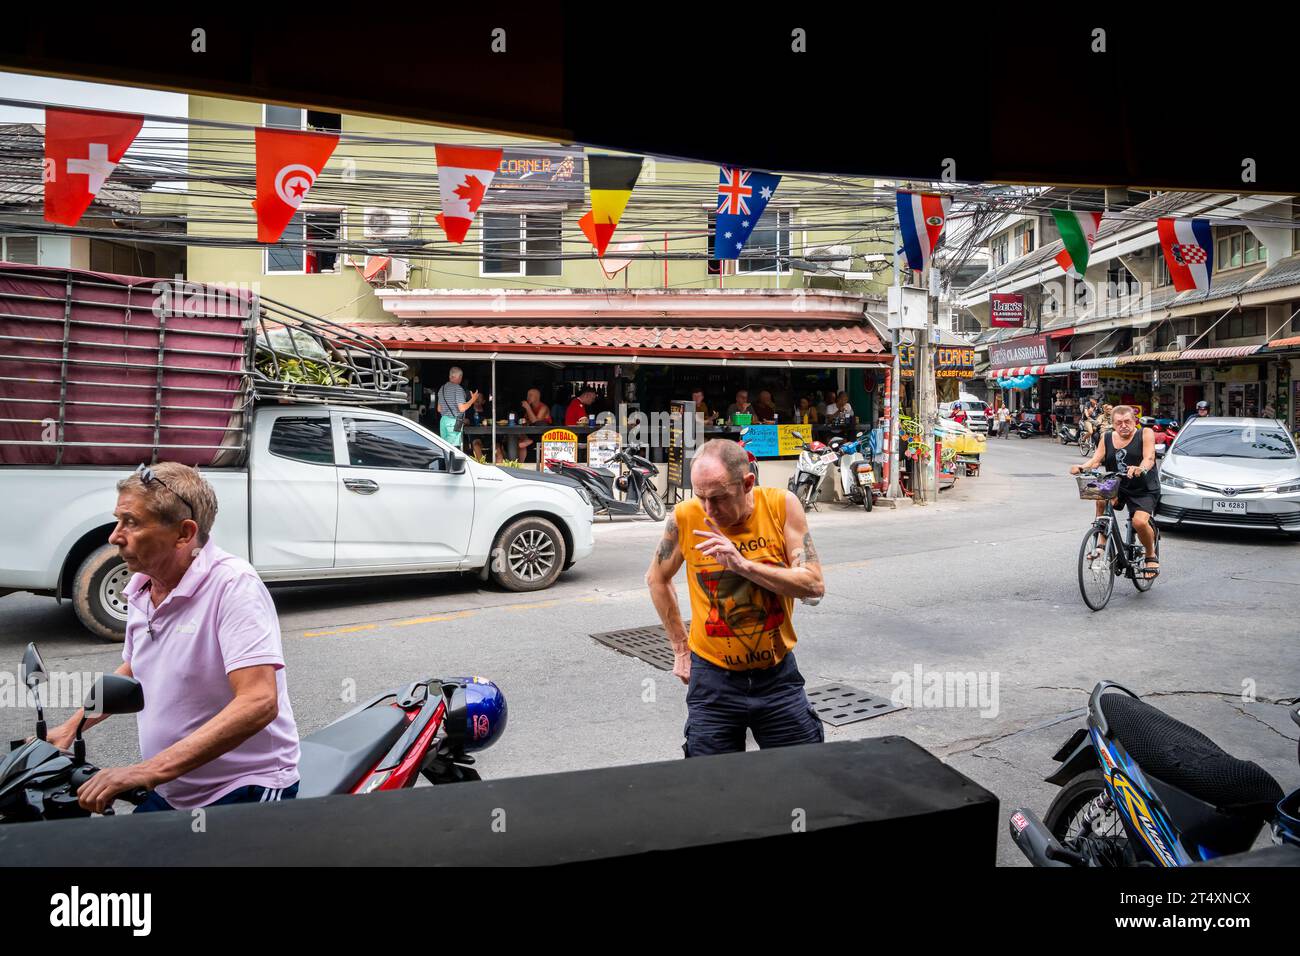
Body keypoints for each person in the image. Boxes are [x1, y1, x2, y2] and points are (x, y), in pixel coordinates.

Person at [47, 463, 300, 814]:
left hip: (245, 788)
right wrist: (70, 729)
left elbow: (258, 701)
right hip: (171, 787)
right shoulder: (140, 586)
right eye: (118, 520)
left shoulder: (232, 586)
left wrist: (146, 771)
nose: (115, 535)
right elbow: (135, 668)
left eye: (132, 523)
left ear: (184, 533)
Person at [645, 439, 825, 757]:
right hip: (712, 680)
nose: (709, 511)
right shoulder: (686, 516)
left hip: (776, 677)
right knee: (713, 787)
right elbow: (657, 578)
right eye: (700, 497)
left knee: (802, 774)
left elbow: (813, 584)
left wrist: (742, 565)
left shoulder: (782, 506)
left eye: (718, 498)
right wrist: (680, 648)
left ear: (747, 484)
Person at [1071, 405, 1160, 580]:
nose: (1123, 426)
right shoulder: (1107, 437)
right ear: (1113, 424)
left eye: (1127, 421)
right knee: (1100, 497)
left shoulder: (1145, 433)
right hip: (1118, 483)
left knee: (1139, 523)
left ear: (1134, 421)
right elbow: (1096, 461)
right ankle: (1101, 544)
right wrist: (1082, 467)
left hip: (1143, 487)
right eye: (1119, 423)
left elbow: (1149, 457)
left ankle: (1151, 555)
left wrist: (1140, 468)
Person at [436, 367, 479, 450]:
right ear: (459, 377)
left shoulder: (442, 389)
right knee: (453, 450)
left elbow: (439, 409)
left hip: (443, 421)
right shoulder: (458, 389)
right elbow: (462, 408)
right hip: (454, 422)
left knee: (445, 449)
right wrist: (472, 400)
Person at [517, 387, 553, 462]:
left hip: (543, 435)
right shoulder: (530, 408)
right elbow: (526, 422)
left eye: (530, 395)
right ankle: (520, 466)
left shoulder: (543, 407)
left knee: (521, 444)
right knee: (519, 444)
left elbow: (536, 422)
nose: (528, 397)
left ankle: (530, 441)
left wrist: (527, 408)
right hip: (532, 433)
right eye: (527, 395)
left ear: (537, 397)